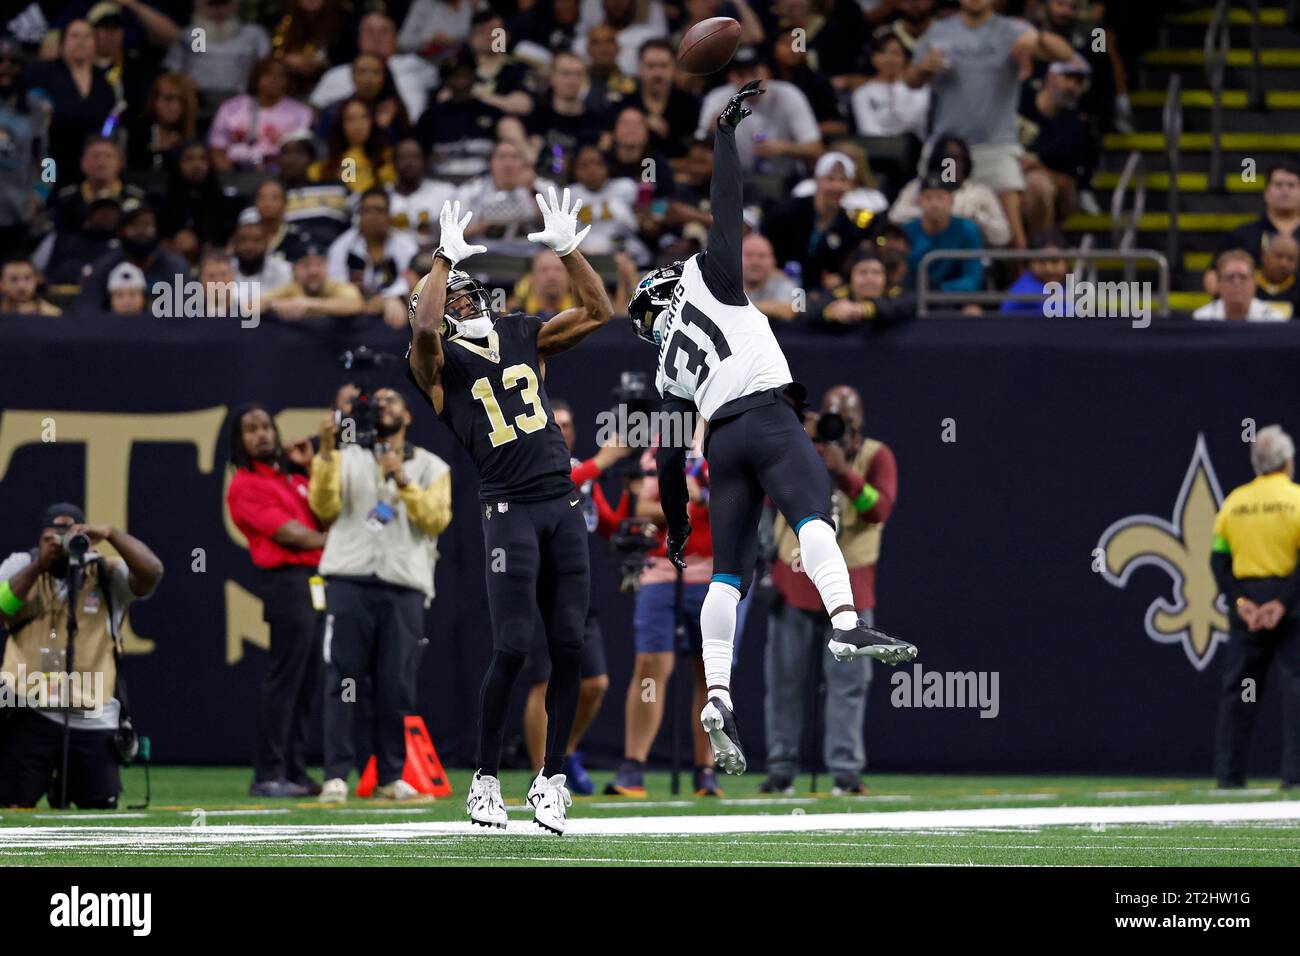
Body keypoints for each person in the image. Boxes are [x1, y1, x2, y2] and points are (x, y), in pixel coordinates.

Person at [627, 82, 917, 779]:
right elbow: (729, 202)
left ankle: (719, 696)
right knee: (814, 512)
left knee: (728, 572)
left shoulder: (666, 366)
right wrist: (725, 133)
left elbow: (670, 460)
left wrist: (672, 528)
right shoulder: (709, 275)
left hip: (719, 442)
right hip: (767, 414)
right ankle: (845, 621)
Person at [406, 188, 614, 834]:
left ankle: (551, 779)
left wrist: (568, 248)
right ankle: (486, 779)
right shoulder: (436, 362)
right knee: (516, 643)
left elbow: (600, 309)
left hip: (560, 500)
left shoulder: (525, 333)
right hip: (507, 507)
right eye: (451, 294)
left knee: (571, 643)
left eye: (468, 288)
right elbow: (421, 329)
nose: (463, 297)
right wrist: (440, 260)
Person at [308, 387, 452, 803]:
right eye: (378, 402)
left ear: (408, 415)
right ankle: (336, 774)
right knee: (343, 678)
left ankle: (391, 775)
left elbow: (436, 519)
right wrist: (326, 449)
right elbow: (323, 507)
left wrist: (402, 478)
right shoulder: (345, 457)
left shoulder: (431, 466)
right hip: (349, 580)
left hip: (404, 584)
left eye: (393, 401)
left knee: (396, 684)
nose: (383, 407)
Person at [763, 386, 897, 795]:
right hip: (795, 578)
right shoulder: (801, 448)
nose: (841, 431)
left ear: (860, 423)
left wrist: (845, 473)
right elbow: (771, 496)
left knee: (849, 685)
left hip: (852, 585)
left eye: (848, 422)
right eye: (833, 421)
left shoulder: (877, 455)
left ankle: (845, 772)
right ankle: (781, 769)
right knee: (785, 681)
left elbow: (880, 509)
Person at [0, 504, 163, 809]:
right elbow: (1, 609)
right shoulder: (22, 566)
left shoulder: (104, 571)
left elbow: (152, 572)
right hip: (32, 708)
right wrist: (39, 566)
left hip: (92, 713)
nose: (60, 546)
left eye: (69, 538)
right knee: (11, 805)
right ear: (40, 539)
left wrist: (111, 534)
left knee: (99, 808)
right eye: (53, 538)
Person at [520, 398, 630, 795]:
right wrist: (605, 460)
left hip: (578, 588)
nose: (563, 431)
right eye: (556, 424)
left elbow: (606, 523)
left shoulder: (583, 469)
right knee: (542, 681)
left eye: (568, 425)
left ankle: (560, 755)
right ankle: (539, 773)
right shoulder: (533, 462)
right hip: (539, 587)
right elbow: (563, 485)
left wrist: (637, 518)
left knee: (595, 683)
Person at [905, 0, 1075, 249]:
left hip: (997, 147)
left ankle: (1024, 286)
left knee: (1012, 234)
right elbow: (910, 81)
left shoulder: (1012, 29)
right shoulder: (939, 31)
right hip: (950, 150)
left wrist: (1037, 37)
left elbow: (1065, 54)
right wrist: (922, 69)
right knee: (940, 217)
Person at [226, 403, 327, 797]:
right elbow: (292, 535)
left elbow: (325, 515)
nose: (262, 434)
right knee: (285, 678)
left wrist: (312, 466)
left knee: (308, 680)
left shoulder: (293, 476)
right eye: (251, 429)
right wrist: (344, 544)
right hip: (286, 582)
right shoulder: (244, 485)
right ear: (239, 440)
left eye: (266, 426)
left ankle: (296, 770)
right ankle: (267, 774)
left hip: (316, 581)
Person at [1210, 425, 1300, 789]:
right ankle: (1295, 777)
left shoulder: (1235, 502)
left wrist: (1241, 603)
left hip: (1246, 604)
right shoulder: (1295, 499)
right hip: (1289, 604)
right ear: (1287, 462)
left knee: (1239, 691)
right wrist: (1281, 602)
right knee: (1295, 689)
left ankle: (1229, 778)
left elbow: (1218, 560)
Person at [693, 46, 822, 180]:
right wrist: (712, 132)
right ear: (731, 78)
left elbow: (815, 149)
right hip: (738, 180)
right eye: (741, 75)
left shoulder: (789, 94)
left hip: (786, 178)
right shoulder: (718, 98)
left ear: (766, 73)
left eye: (753, 73)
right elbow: (698, 151)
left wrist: (783, 147)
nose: (748, 80)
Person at [1019, 57, 1098, 242]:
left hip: (1059, 191)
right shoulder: (1021, 101)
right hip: (1013, 176)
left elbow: (1071, 172)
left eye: (1079, 81)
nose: (1072, 86)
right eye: (1068, 77)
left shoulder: (1079, 120)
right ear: (1051, 76)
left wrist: (1036, 163)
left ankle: (1043, 254)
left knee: (1038, 186)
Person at [888, 133, 1012, 249]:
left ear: (965, 162)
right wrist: (933, 212)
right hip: (926, 254)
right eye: (947, 158)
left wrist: (977, 217)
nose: (953, 164)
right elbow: (895, 216)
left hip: (969, 255)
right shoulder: (918, 187)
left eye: (958, 158)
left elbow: (1003, 237)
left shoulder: (981, 192)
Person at [326, 187, 418, 329]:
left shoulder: (405, 245)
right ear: (359, 214)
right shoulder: (342, 246)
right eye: (367, 210)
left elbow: (409, 282)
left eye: (379, 210)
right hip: (351, 315)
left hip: (394, 312)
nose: (372, 216)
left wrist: (387, 299)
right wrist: (361, 303)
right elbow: (336, 283)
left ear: (388, 215)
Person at [1207, 163, 1300, 296]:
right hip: (1250, 313)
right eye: (1278, 185)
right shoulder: (1243, 234)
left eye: (1291, 185)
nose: (1285, 191)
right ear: (1266, 193)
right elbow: (1213, 273)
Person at [207, 57, 313, 172]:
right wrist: (227, 173)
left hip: (280, 171)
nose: (274, 80)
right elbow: (217, 148)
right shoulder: (231, 108)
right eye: (268, 74)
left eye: (281, 76)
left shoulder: (301, 112)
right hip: (236, 168)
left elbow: (301, 153)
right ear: (256, 78)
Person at [163, 0, 271, 101]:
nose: (219, 10)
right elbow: (173, 71)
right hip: (197, 102)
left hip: (242, 101)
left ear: (236, 3)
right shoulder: (188, 34)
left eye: (224, 3)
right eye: (213, 4)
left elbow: (267, 69)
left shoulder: (254, 34)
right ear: (198, 3)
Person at [903, 173, 984, 298]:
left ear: (951, 200)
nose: (934, 204)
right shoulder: (907, 231)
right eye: (928, 198)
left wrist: (939, 289)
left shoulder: (967, 229)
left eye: (940, 197)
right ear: (919, 201)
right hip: (914, 298)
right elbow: (900, 275)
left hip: (954, 298)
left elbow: (972, 277)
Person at [852, 28, 929, 139]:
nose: (889, 59)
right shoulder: (862, 93)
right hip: (877, 149)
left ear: (904, 58)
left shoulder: (920, 88)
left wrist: (900, 85)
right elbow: (867, 129)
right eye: (883, 53)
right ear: (873, 58)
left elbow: (915, 123)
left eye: (896, 53)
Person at [264, 244, 364, 319]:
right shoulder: (290, 288)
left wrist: (308, 304)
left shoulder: (335, 286)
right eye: (305, 265)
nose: (313, 271)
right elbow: (253, 306)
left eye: (319, 264)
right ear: (294, 269)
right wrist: (273, 305)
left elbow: (355, 304)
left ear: (327, 266)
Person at [1194, 251, 1289, 322]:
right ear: (1219, 284)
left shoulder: (1273, 320)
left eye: (1243, 277)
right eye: (1230, 277)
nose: (1236, 282)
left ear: (1254, 283)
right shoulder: (1202, 319)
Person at [1001, 231, 1070, 316]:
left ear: (1066, 262)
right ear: (1030, 263)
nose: (1048, 269)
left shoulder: (1068, 285)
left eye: (1054, 261)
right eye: (1041, 261)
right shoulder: (1025, 293)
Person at [742, 233, 796, 322]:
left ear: (773, 261)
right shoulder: (724, 284)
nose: (755, 262)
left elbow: (792, 310)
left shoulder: (786, 284)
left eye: (762, 256)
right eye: (749, 255)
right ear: (736, 259)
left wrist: (738, 309)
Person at [1254, 233, 1300, 319]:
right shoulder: (1247, 283)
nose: (1284, 264)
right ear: (1264, 256)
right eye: (1278, 256)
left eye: (1291, 259)